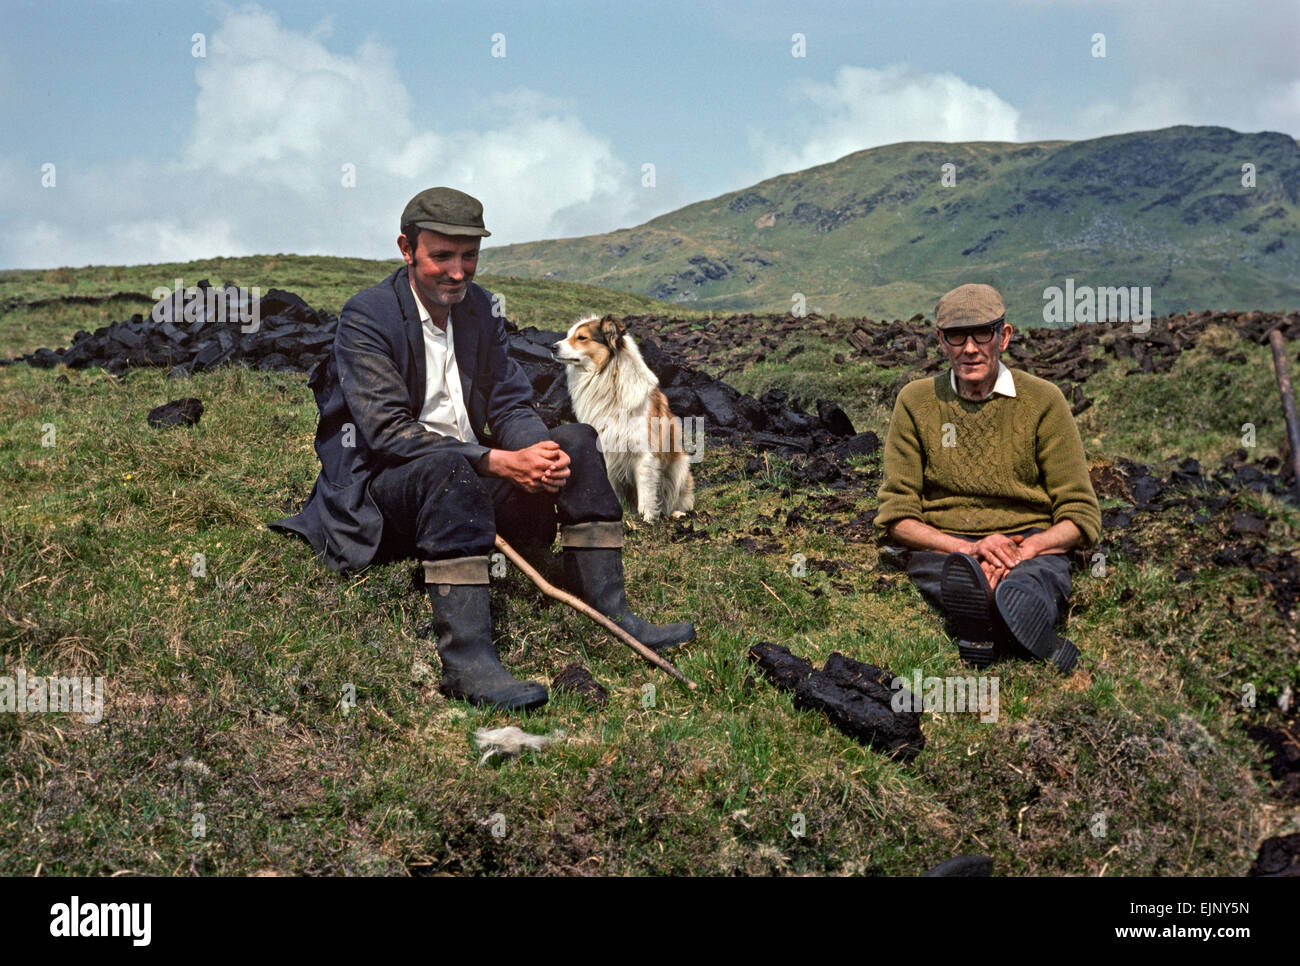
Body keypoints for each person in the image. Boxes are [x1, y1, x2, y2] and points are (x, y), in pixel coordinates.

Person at [269, 187, 694, 711]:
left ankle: (610, 607)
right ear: (407, 249)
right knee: (448, 464)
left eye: (468, 256)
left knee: (578, 442)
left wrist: (538, 455)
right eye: (440, 257)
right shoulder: (367, 316)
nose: (457, 272)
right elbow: (386, 433)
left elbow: (511, 403)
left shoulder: (480, 310)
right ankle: (469, 664)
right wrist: (498, 461)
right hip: (390, 497)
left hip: (468, 485)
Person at [875, 283, 1101, 672]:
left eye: (983, 333)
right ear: (940, 342)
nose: (970, 348)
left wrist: (1023, 552)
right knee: (949, 571)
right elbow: (897, 517)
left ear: (1004, 337)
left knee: (1035, 577)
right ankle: (1001, 613)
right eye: (956, 336)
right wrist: (967, 549)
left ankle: (992, 614)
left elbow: (1080, 515)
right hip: (948, 544)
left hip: (1028, 542)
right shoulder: (915, 402)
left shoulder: (1044, 401)